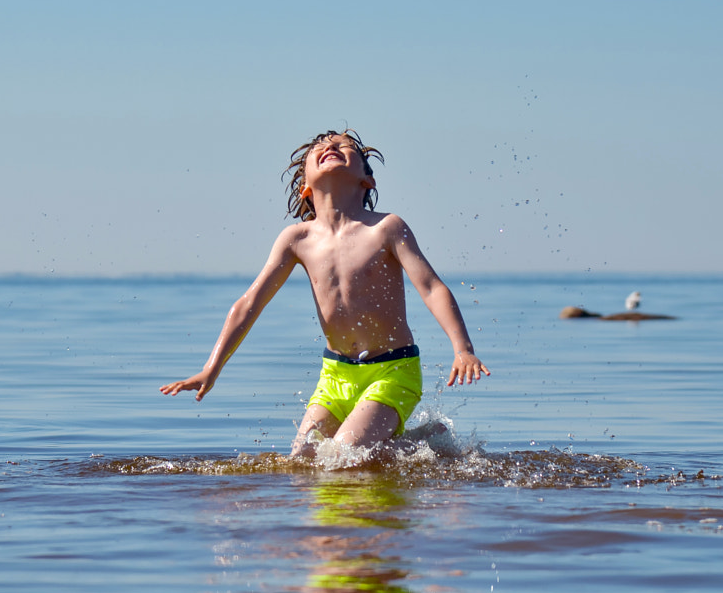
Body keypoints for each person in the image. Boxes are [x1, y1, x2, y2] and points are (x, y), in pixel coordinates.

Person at [160, 130, 489, 457]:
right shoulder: (296, 239)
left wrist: (462, 349)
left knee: (344, 455)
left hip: (392, 370)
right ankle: (420, 439)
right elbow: (249, 304)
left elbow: (431, 288)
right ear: (305, 186)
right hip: (334, 374)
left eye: (344, 146)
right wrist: (212, 368)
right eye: (320, 147)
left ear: (367, 181)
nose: (331, 146)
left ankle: (427, 445)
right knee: (302, 460)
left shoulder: (386, 228)